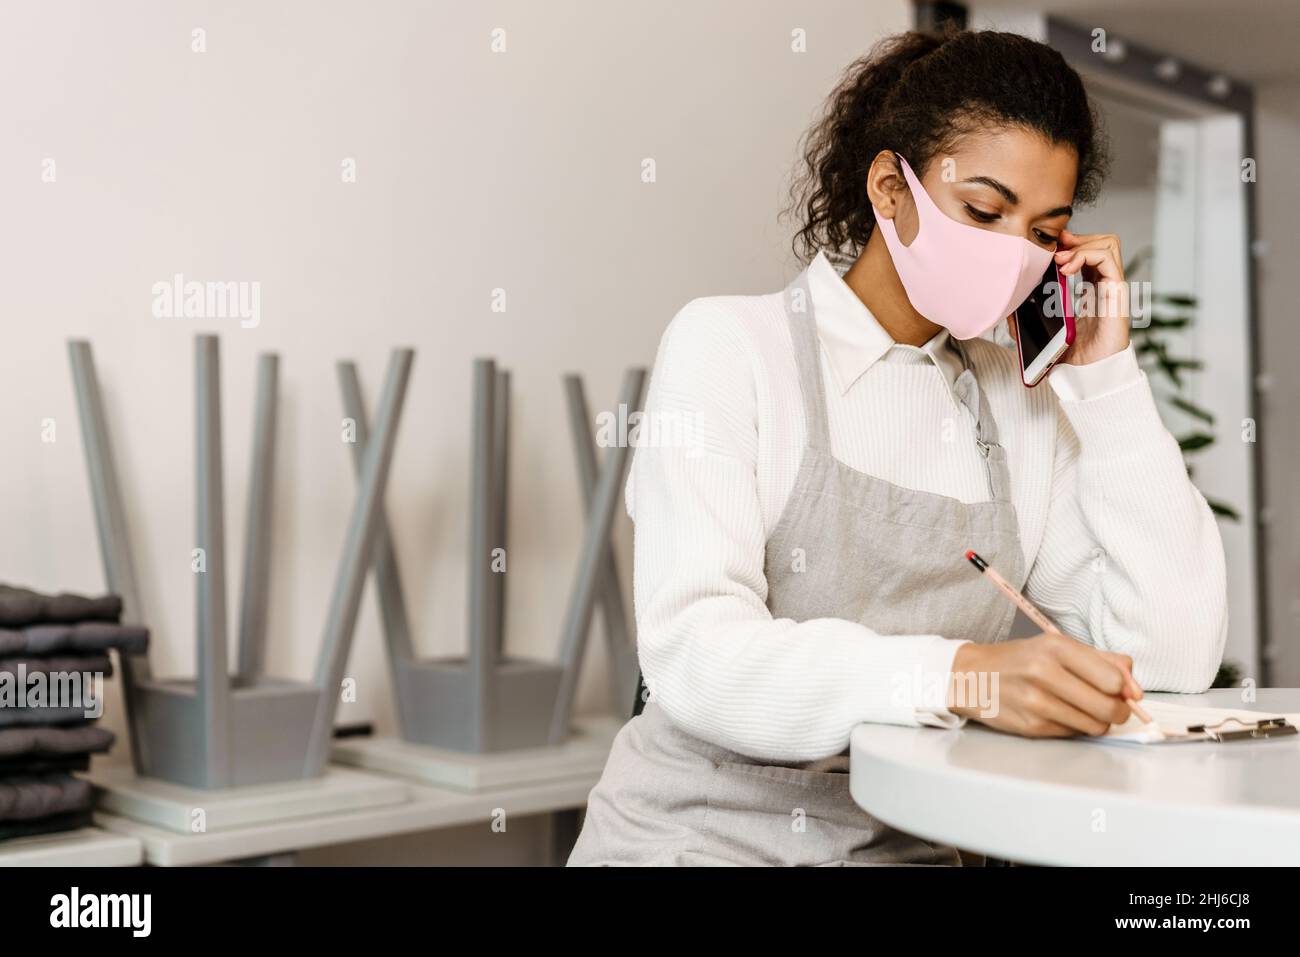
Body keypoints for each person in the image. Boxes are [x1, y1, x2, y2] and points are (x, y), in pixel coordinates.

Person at [568, 28, 1227, 867]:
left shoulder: (1019, 401)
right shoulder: (729, 347)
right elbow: (694, 652)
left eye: (1043, 232)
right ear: (891, 189)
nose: (1012, 254)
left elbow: (1172, 659)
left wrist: (1108, 382)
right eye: (983, 212)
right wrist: (962, 676)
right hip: (696, 841)